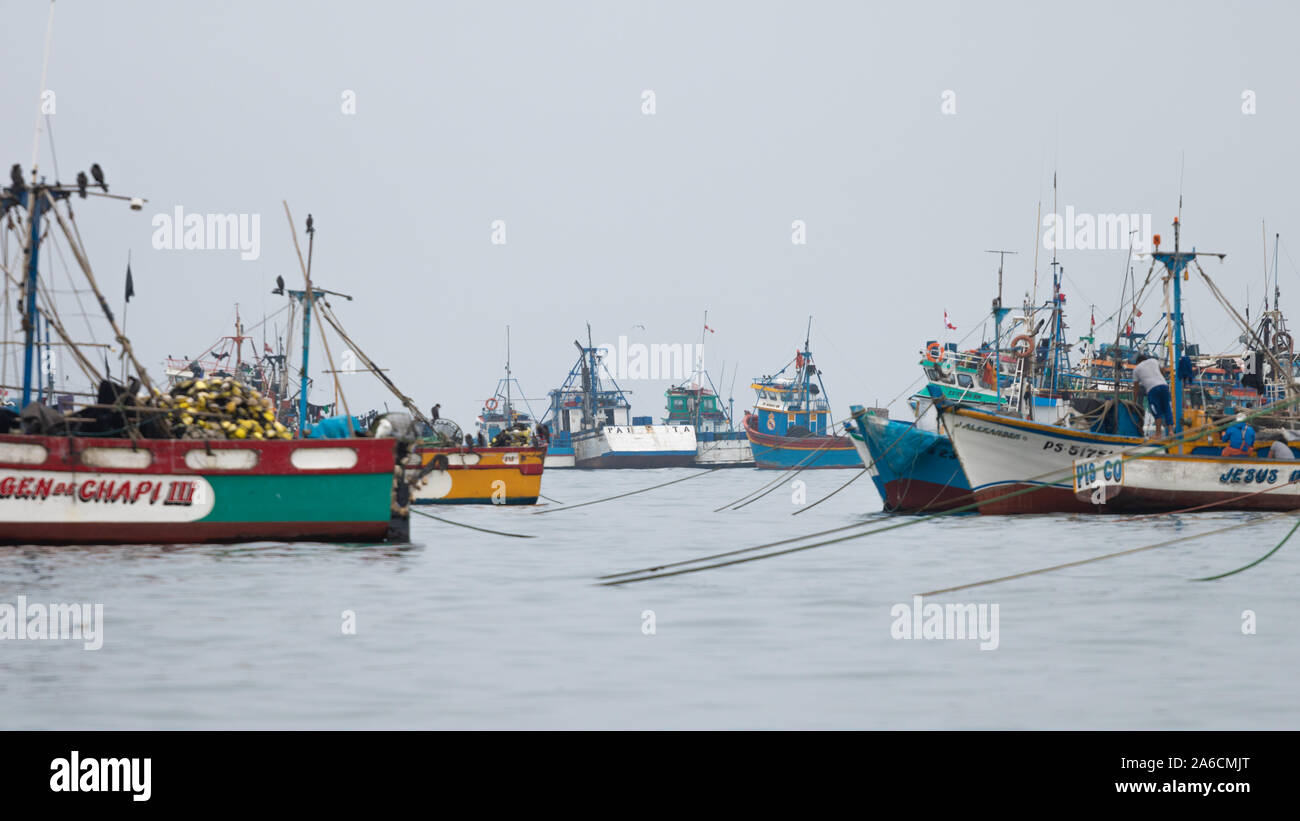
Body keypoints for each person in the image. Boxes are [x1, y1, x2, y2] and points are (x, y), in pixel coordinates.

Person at [1132, 354, 1172, 437]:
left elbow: (1136, 388)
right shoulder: (1153, 361)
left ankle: (1158, 434)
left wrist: (1134, 402)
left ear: (1138, 362)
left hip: (1152, 389)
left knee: (1156, 411)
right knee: (1167, 408)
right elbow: (1163, 371)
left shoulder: (1136, 369)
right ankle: (1171, 431)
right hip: (1164, 386)